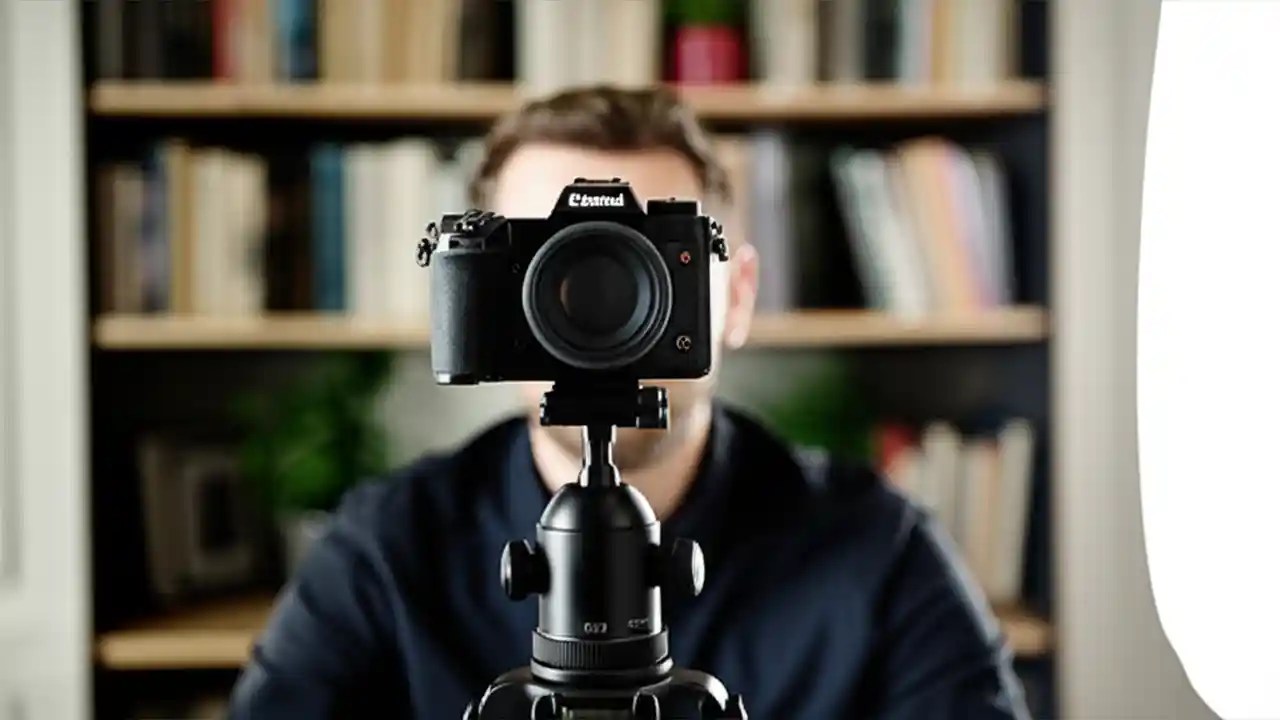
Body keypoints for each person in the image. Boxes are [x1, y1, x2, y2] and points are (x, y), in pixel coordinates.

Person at [228, 85, 1030, 720]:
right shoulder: (387, 549)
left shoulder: (876, 552)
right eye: (547, 269)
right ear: (483, 302)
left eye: (649, 263)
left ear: (736, 296)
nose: (594, 319)